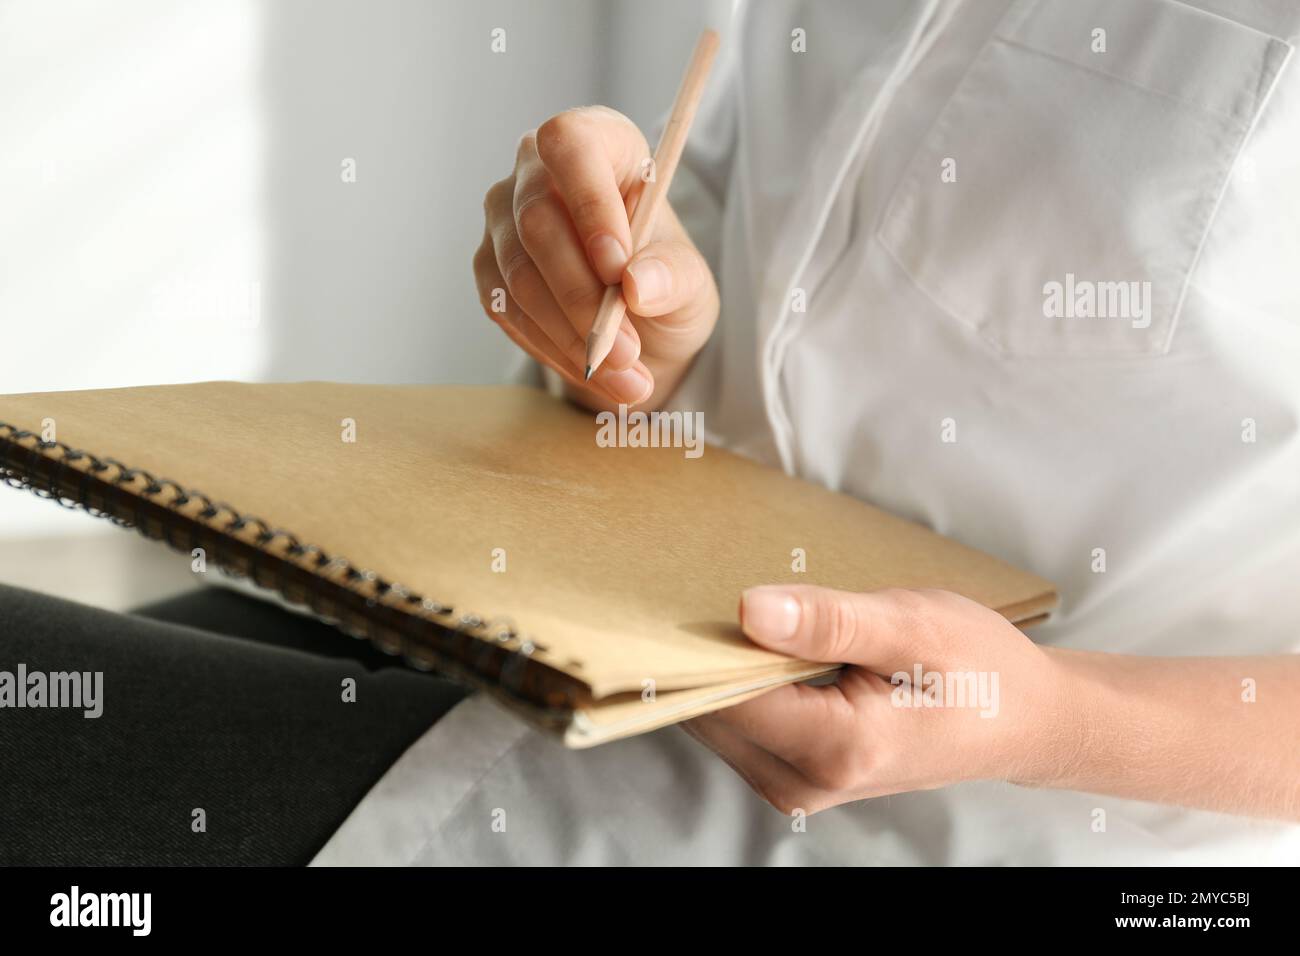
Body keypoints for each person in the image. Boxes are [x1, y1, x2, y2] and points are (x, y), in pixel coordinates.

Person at [322, 0, 1300, 865]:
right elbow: (757, 212)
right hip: (599, 623)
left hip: (1025, 823)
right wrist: (643, 312)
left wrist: (1052, 721)